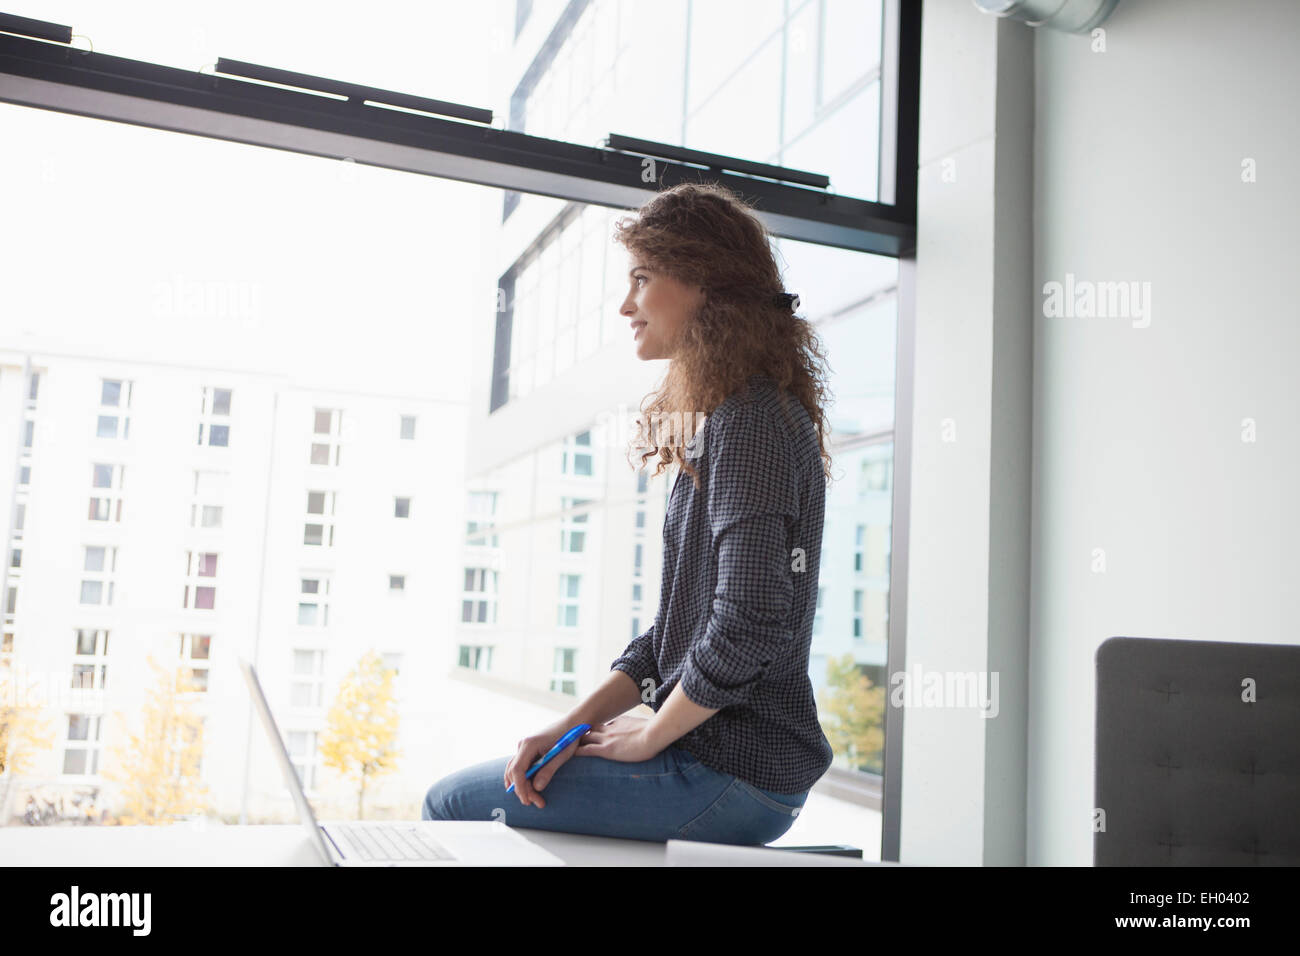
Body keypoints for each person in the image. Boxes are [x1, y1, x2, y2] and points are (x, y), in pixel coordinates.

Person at [422, 182, 835, 845]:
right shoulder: (726, 420)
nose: (625, 305)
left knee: (451, 805)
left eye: (641, 279)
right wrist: (571, 725)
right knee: (508, 789)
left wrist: (651, 735)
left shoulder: (750, 421)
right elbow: (669, 638)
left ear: (703, 283)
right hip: (714, 759)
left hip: (732, 771)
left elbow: (750, 619)